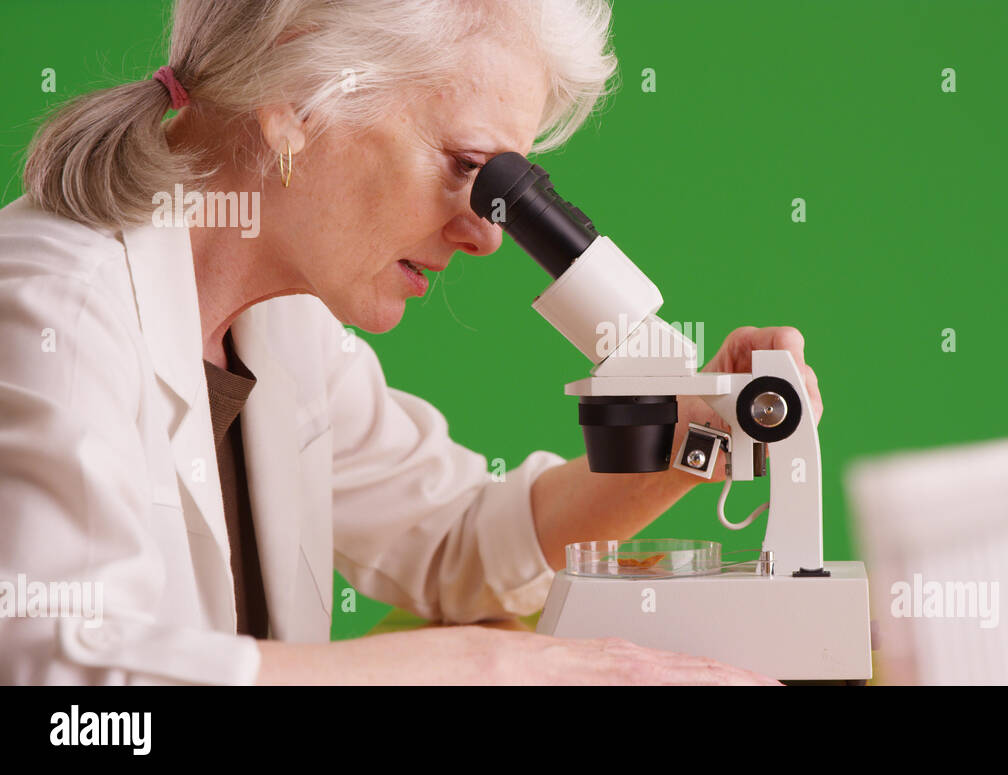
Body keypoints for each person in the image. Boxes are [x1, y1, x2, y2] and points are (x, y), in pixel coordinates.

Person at [0, 0, 819, 685]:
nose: (488, 234)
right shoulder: (51, 314)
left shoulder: (283, 327)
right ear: (296, 93)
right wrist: (489, 665)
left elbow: (457, 541)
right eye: (468, 164)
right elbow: (71, 697)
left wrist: (698, 431)